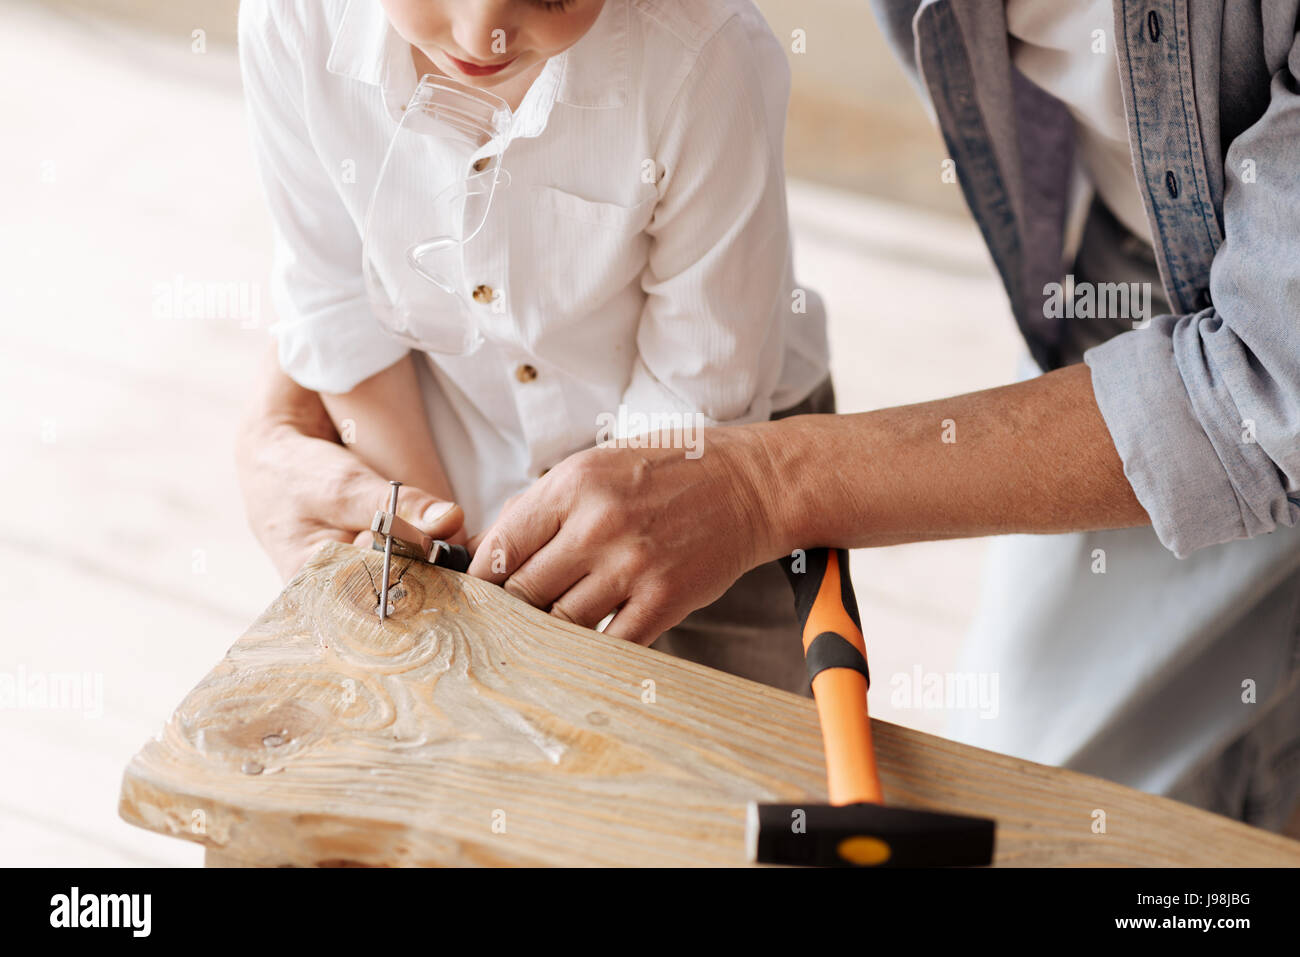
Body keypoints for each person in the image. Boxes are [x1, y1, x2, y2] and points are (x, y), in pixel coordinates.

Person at [237, 0, 1300, 829]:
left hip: (1259, 336)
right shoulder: (294, 36)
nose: (480, 33)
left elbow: (1267, 384)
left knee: (1044, 812)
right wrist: (310, 420)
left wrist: (754, 488)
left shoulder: (703, 59)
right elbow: (345, 272)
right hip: (1148, 268)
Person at [235, 0, 830, 694]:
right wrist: (438, 544)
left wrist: (552, 593)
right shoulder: (292, 22)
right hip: (442, 431)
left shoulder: (710, 58)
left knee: (729, 746)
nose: (477, 35)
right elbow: (333, 302)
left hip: (709, 460)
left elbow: (697, 384)